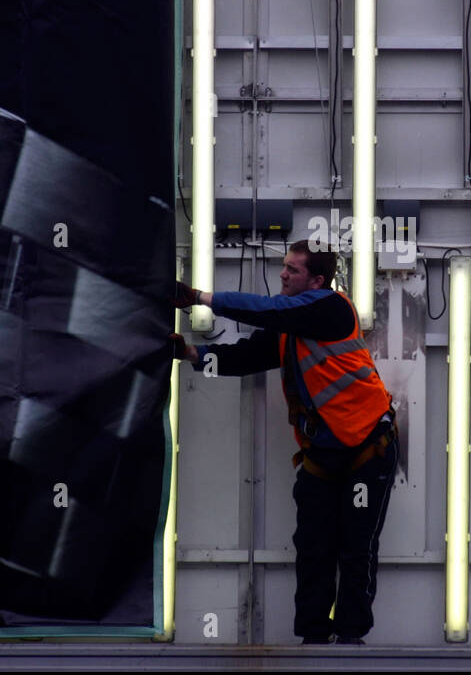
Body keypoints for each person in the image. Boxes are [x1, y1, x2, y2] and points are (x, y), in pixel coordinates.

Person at [170, 241, 399, 644]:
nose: (283, 274)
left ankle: (351, 639)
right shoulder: (289, 328)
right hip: (324, 454)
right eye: (284, 267)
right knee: (313, 547)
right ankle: (312, 637)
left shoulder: (331, 308)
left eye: (293, 269)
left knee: (356, 546)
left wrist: (198, 298)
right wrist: (190, 353)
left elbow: (265, 310)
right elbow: (245, 357)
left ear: (317, 280)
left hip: (368, 448)